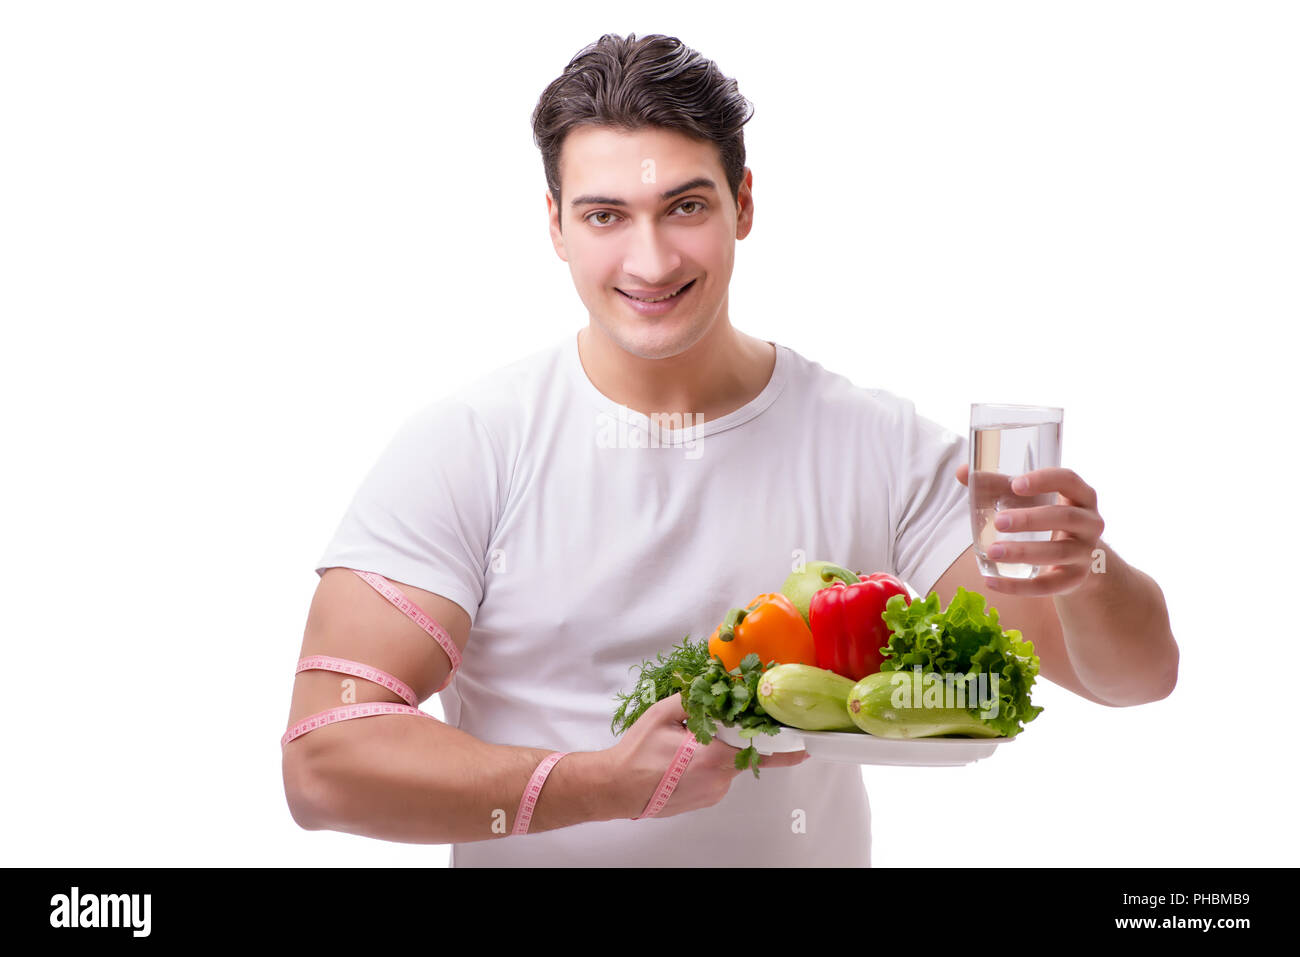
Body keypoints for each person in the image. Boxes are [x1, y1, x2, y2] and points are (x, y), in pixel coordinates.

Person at [280, 32, 1179, 867]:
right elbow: (324, 760)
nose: (651, 258)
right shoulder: (468, 444)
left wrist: (1085, 568)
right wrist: (598, 785)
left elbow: (1136, 680)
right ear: (554, 225)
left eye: (685, 206)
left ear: (743, 205)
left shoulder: (876, 442)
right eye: (605, 216)